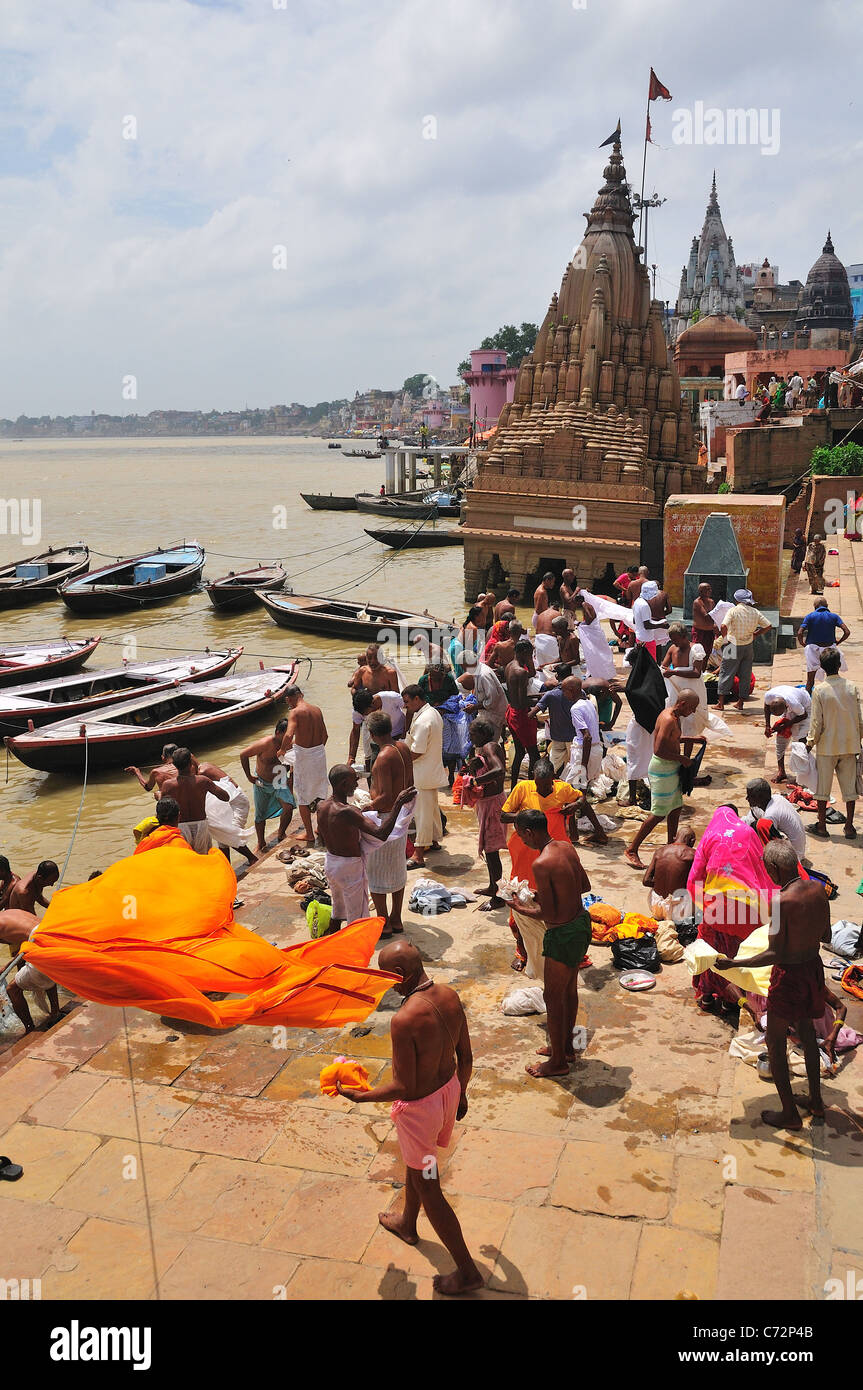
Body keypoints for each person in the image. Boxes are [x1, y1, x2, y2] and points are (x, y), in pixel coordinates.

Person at [336, 939, 481, 1296]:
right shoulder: (448, 995)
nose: (385, 982)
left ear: (400, 974)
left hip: (420, 1113)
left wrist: (362, 1095)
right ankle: (407, 1222)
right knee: (417, 1165)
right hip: (448, 1093)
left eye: (386, 976)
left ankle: (467, 1271)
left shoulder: (404, 1020)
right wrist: (461, 1092)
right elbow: (466, 1056)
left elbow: (403, 1086)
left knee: (429, 1184)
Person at [714, 839, 830, 1130]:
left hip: (789, 976)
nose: (767, 875)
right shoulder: (818, 889)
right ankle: (816, 1101)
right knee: (806, 1031)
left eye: (767, 869)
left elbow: (775, 953)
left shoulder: (781, 902)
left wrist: (734, 964)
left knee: (775, 1043)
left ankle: (790, 1113)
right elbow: (826, 935)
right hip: (812, 969)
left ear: (776, 868)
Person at [508, 810, 592, 1079]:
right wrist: (541, 893)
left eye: (520, 835)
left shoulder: (541, 864)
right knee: (568, 991)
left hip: (562, 933)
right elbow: (583, 885)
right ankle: (565, 1048)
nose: (521, 840)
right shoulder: (566, 848)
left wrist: (519, 907)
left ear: (529, 832)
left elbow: (548, 914)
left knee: (553, 997)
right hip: (581, 925)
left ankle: (558, 1062)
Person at [686, 804, 778, 1014]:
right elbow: (761, 867)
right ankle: (731, 1001)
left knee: (711, 951)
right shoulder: (748, 833)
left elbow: (695, 876)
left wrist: (700, 903)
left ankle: (708, 997)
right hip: (747, 906)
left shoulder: (710, 835)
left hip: (716, 907)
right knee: (736, 954)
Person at [316, 766, 416, 930]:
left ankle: (331, 945)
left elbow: (320, 836)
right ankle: (353, 952)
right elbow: (382, 834)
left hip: (331, 863)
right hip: (349, 868)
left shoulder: (321, 805)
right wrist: (398, 803)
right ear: (343, 783)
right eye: (354, 780)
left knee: (338, 911)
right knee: (356, 920)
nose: (357, 784)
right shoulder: (348, 811)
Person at [624, 693, 704, 869]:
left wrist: (692, 739)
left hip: (671, 767)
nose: (693, 711)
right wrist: (682, 758)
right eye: (692, 708)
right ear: (682, 704)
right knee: (659, 812)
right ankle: (632, 849)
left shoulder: (674, 715)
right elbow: (658, 749)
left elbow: (673, 739)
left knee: (675, 807)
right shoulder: (668, 719)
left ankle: (670, 844)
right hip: (662, 769)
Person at [364, 711, 414, 938]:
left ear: (372, 734)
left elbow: (384, 797)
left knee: (375, 873)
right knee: (396, 869)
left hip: (385, 819)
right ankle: (396, 918)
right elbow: (410, 785)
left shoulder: (383, 758)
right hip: (401, 818)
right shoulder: (402, 747)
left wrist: (364, 807)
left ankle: (383, 922)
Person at [806, 648, 863, 839]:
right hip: (849, 745)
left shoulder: (819, 690)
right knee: (850, 789)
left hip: (827, 747)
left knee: (822, 789)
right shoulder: (852, 687)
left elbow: (817, 722)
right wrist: (858, 740)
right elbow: (860, 719)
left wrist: (810, 742)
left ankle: (822, 826)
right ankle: (849, 827)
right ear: (839, 665)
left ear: (821, 667)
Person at [402, 684, 446, 869]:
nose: (406, 706)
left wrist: (401, 760)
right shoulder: (433, 713)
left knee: (422, 814)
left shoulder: (422, 720)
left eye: (407, 702)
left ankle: (418, 854)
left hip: (422, 773)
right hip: (431, 770)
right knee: (432, 809)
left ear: (417, 699)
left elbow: (416, 751)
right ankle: (434, 840)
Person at [278, 686, 329, 845]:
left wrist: (282, 750)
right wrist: (314, 749)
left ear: (288, 699)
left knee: (303, 797)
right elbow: (325, 735)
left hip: (305, 758)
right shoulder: (317, 710)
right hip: (319, 754)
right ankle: (320, 828)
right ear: (302, 694)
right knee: (320, 793)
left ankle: (309, 834)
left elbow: (289, 734)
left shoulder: (295, 712)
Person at [466, 719, 507, 911]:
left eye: (473, 734)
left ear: (482, 733)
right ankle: (492, 886)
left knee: (491, 851)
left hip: (493, 805)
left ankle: (498, 898)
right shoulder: (484, 749)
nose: (470, 737)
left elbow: (499, 770)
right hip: (486, 804)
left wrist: (475, 781)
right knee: (489, 849)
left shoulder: (490, 747)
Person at [159, 747, 229, 853]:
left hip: (180, 826)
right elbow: (225, 797)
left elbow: (163, 807)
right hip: (201, 825)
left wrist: (158, 796)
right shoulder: (203, 781)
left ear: (174, 765)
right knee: (203, 859)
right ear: (190, 763)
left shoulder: (168, 785)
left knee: (187, 861)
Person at [240, 719, 296, 852]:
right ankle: (261, 842)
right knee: (260, 815)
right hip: (262, 781)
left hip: (279, 779)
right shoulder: (265, 743)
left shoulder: (290, 745)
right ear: (278, 733)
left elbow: (294, 761)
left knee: (288, 806)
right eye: (287, 735)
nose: (289, 738)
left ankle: (281, 833)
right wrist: (248, 776)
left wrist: (292, 778)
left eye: (291, 735)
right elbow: (243, 754)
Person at [192, 756, 257, 866]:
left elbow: (233, 786)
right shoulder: (201, 769)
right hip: (227, 804)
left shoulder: (203, 771)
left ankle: (252, 858)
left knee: (228, 836)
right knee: (222, 837)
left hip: (236, 803)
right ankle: (227, 868)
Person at [715, 589, 771, 713]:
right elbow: (768, 625)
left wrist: (724, 638)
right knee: (745, 674)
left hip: (732, 644)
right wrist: (756, 634)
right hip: (748, 646)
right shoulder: (755, 612)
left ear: (736, 600)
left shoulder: (733, 611)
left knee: (726, 672)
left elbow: (723, 626)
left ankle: (721, 703)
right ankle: (740, 703)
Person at [743, 777, 806, 860]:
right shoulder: (776, 798)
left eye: (750, 796)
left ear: (760, 797)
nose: (747, 799)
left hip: (793, 858)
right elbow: (750, 817)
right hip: (799, 848)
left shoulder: (771, 815)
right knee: (752, 818)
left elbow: (771, 845)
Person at [797, 598, 850, 693]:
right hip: (829, 650)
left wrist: (802, 643)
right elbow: (847, 632)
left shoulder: (810, 616)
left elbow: (800, 633)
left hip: (813, 650)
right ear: (827, 606)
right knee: (832, 677)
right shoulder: (834, 616)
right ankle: (834, 697)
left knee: (810, 680)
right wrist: (838, 642)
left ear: (815, 607)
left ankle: (808, 702)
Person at [642, 829, 696, 921]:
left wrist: (661, 884)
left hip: (655, 906)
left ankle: (661, 914)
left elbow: (646, 881)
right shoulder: (692, 854)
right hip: (679, 911)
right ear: (692, 841)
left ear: (675, 838)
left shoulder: (659, 851)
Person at [349, 687, 406, 772]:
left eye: (366, 713)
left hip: (399, 732)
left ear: (372, 704)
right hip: (377, 737)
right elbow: (355, 731)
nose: (365, 715)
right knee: (370, 765)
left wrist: (405, 733)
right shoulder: (358, 711)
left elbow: (409, 709)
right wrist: (351, 757)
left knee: (398, 765)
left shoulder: (391, 697)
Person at [763, 684, 812, 783]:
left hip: (805, 709)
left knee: (800, 740)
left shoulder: (794, 704)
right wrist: (767, 726)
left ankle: (802, 773)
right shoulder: (769, 696)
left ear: (786, 707)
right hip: (789, 705)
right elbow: (766, 707)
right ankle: (781, 772)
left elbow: (803, 715)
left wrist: (786, 725)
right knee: (781, 738)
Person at [530, 680, 576, 774]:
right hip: (573, 737)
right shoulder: (578, 692)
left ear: (557, 676)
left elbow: (532, 713)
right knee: (573, 765)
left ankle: (550, 782)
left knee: (553, 765)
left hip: (557, 736)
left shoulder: (550, 695)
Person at [566, 675, 602, 787]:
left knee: (573, 787)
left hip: (585, 751)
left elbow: (587, 736)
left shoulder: (575, 708)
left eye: (564, 691)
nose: (564, 694)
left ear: (571, 691)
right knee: (582, 785)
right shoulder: (589, 703)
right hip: (595, 750)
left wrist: (583, 765)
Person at [572, 592, 616, 680]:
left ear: (579, 600)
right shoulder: (587, 604)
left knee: (594, 651)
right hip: (594, 630)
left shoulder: (584, 604)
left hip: (593, 631)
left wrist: (579, 623)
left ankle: (600, 673)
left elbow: (590, 618)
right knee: (596, 652)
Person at [457, 664, 507, 739]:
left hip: (493, 715)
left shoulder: (484, 675)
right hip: (486, 713)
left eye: (463, 667)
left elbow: (492, 700)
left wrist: (474, 707)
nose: (464, 670)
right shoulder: (477, 671)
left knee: (490, 741)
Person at [631, 580, 669, 660]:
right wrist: (661, 625)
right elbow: (647, 625)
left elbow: (635, 620)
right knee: (651, 663)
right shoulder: (644, 605)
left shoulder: (637, 602)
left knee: (643, 662)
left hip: (639, 637)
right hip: (647, 639)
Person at [692, 582, 721, 659]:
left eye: (710, 589)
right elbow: (706, 616)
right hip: (699, 632)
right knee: (698, 652)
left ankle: (703, 670)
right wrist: (720, 609)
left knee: (707, 653)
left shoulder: (711, 602)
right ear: (701, 591)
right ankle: (697, 670)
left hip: (710, 632)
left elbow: (715, 617)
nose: (710, 591)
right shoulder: (697, 602)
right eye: (707, 589)